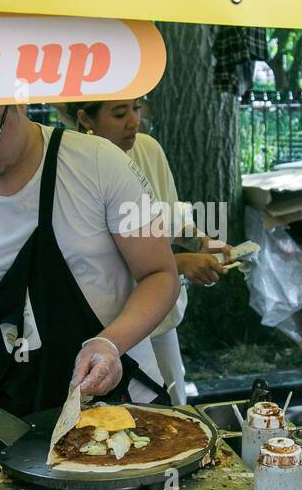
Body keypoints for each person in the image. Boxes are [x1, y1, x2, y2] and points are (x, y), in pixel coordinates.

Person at [0, 103, 180, 417]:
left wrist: (110, 344)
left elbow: (160, 274)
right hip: (18, 423)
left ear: (19, 104)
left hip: (129, 403)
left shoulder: (99, 162)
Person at [66, 97, 232, 404]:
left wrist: (205, 244)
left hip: (157, 314)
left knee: (174, 410)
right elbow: (94, 259)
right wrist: (179, 263)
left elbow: (169, 219)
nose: (133, 121)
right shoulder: (71, 168)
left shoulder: (147, 148)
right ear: (85, 119)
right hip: (102, 324)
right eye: (119, 113)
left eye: (137, 108)